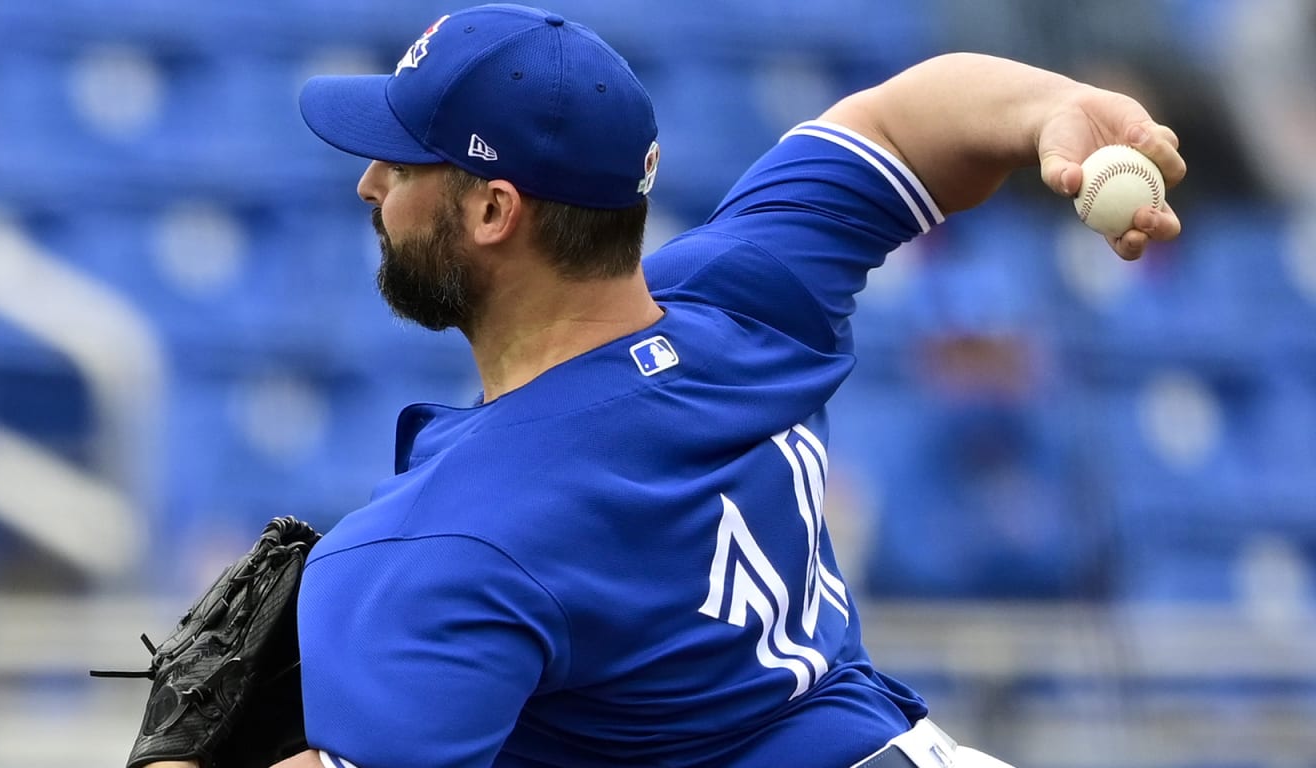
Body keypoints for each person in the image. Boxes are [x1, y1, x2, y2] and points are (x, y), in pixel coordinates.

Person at [151, 3, 1184, 767]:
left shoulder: (446, 540)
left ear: (491, 212)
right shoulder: (743, 300)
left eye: (402, 165)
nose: (370, 183)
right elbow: (897, 127)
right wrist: (1056, 106)